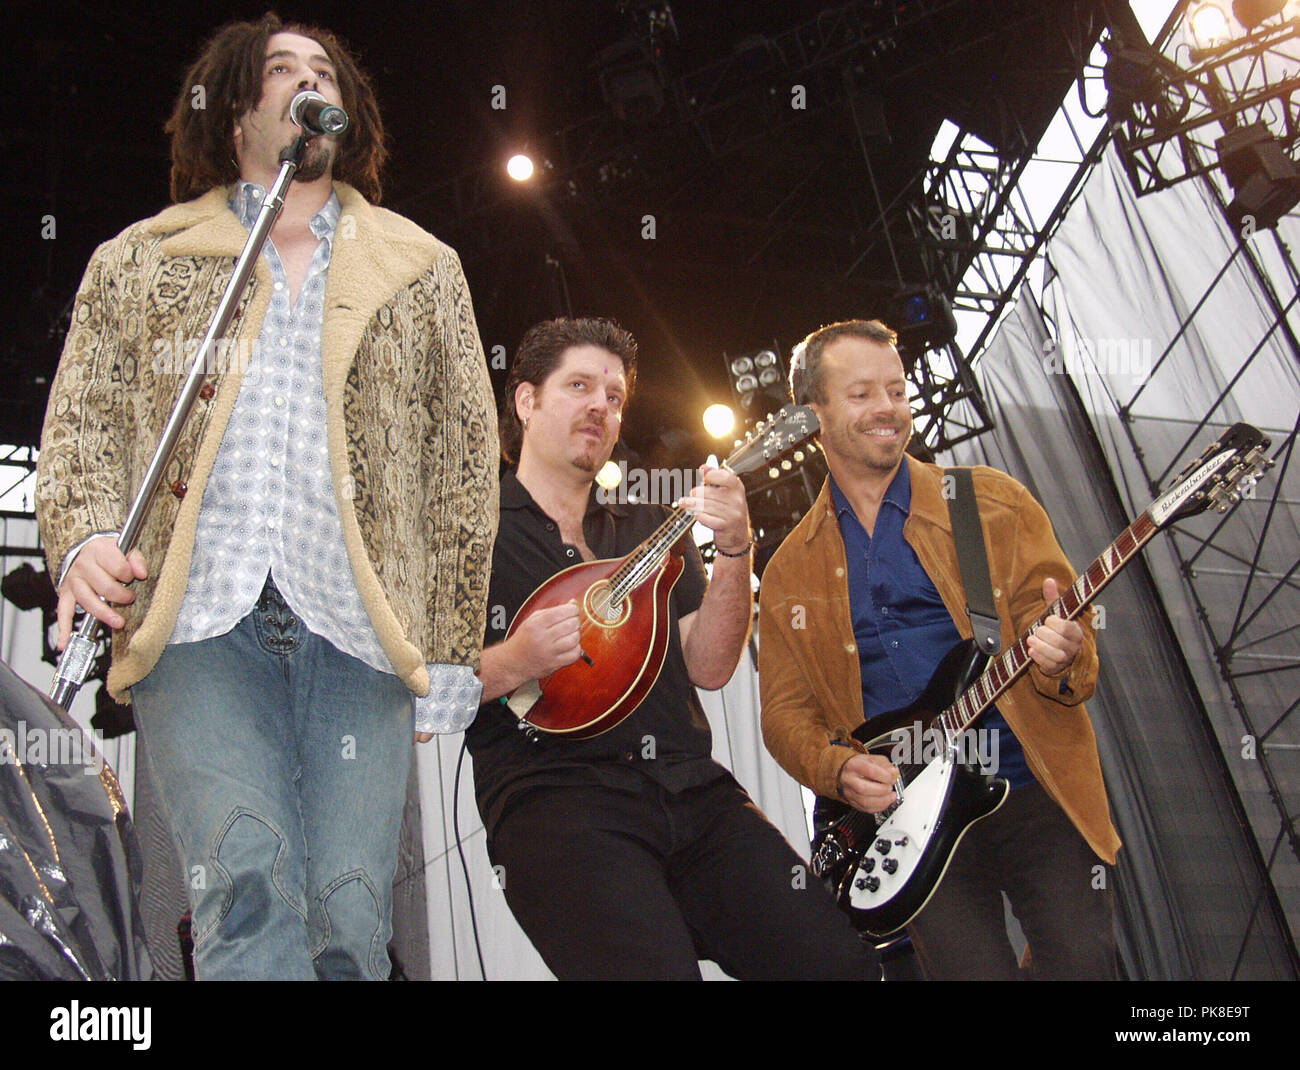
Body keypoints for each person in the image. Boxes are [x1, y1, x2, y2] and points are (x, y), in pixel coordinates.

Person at [35, 15, 498, 980]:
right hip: (198, 616)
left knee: (352, 914)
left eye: (321, 71)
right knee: (245, 882)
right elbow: (78, 423)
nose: (304, 81)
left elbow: (461, 466)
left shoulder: (420, 268)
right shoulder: (141, 259)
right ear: (235, 110)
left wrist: (451, 644)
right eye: (278, 70)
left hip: (357, 626)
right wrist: (79, 540)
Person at [466, 317, 875, 980]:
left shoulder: (648, 523)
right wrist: (516, 659)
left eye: (615, 395)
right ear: (526, 401)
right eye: (578, 385)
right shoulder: (470, 533)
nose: (601, 404)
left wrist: (737, 549)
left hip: (693, 790)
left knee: (837, 962)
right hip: (557, 802)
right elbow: (421, 685)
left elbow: (709, 664)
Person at [758, 319, 1121, 980]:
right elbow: (784, 716)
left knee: (1084, 961)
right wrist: (837, 770)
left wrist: (1065, 652)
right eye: (863, 393)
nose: (888, 408)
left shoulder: (987, 500)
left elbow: (1062, 626)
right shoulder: (788, 572)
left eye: (896, 390)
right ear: (816, 415)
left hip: (1032, 785)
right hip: (908, 826)